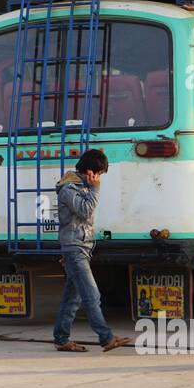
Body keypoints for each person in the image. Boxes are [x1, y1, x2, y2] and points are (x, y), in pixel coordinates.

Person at [52, 149, 133, 352]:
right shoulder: (69, 189)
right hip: (74, 249)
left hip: (80, 249)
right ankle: (106, 338)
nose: (99, 179)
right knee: (92, 295)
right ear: (90, 172)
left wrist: (92, 187)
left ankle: (61, 338)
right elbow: (86, 210)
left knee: (73, 297)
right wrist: (96, 188)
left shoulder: (81, 186)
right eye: (99, 175)